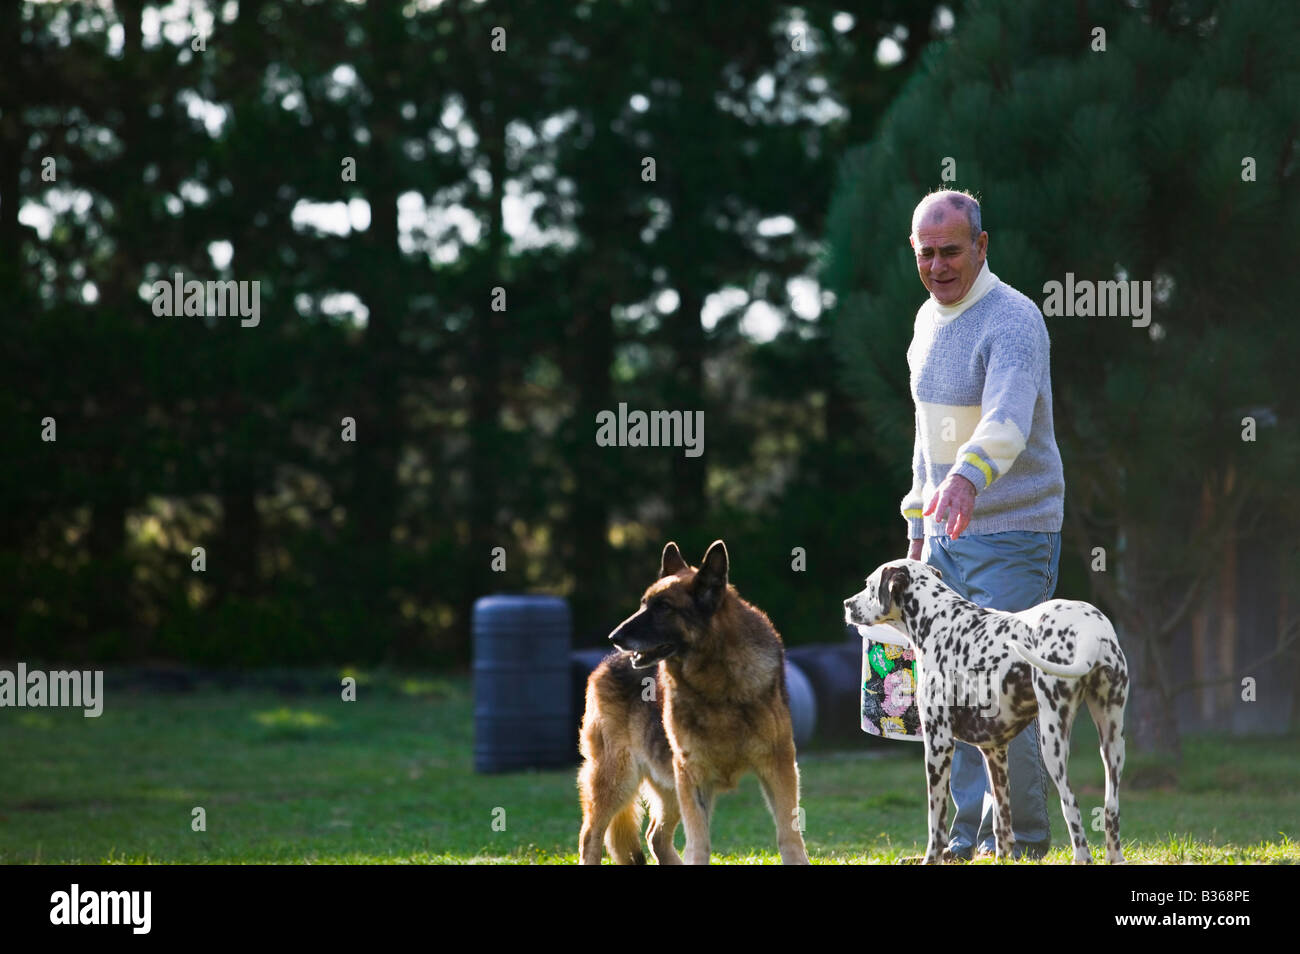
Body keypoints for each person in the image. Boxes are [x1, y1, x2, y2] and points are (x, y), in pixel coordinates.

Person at [900, 189, 1065, 860]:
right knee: (946, 695)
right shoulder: (924, 321)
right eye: (925, 254)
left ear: (982, 245)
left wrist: (967, 478)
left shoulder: (1014, 319)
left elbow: (1007, 416)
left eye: (951, 251)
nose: (938, 266)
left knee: (1004, 691)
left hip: (1014, 532)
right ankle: (957, 842)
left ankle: (1022, 842)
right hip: (945, 536)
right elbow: (926, 436)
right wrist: (917, 525)